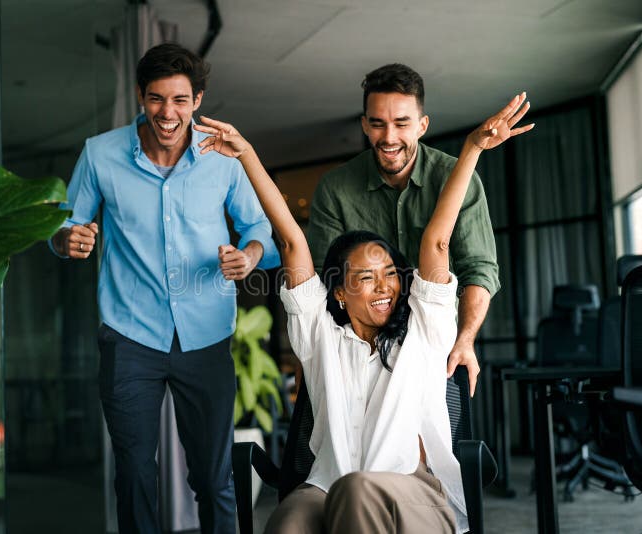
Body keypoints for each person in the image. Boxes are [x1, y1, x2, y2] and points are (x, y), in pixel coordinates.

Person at [193, 93, 532, 533]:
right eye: (366, 277)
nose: (385, 287)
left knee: (356, 490)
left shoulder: (424, 331)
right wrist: (246, 156)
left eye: (390, 273)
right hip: (327, 485)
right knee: (288, 524)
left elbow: (437, 243)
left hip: (413, 491)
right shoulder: (320, 337)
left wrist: (471, 150)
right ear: (337, 292)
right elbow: (293, 242)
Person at [48, 43, 279, 534]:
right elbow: (63, 225)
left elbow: (261, 230)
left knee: (214, 477)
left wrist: (249, 256)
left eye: (179, 100)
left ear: (197, 99)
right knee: (134, 474)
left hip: (206, 335)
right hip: (129, 336)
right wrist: (69, 238)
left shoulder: (224, 158)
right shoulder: (100, 154)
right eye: (155, 99)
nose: (167, 113)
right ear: (140, 96)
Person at [308, 64, 503, 396]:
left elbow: (479, 269)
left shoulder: (457, 179)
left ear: (422, 125)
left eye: (401, 123)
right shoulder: (334, 189)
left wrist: (464, 340)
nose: (389, 138)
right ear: (364, 125)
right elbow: (322, 282)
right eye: (378, 124)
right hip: (358, 357)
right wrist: (313, 358)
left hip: (439, 352)